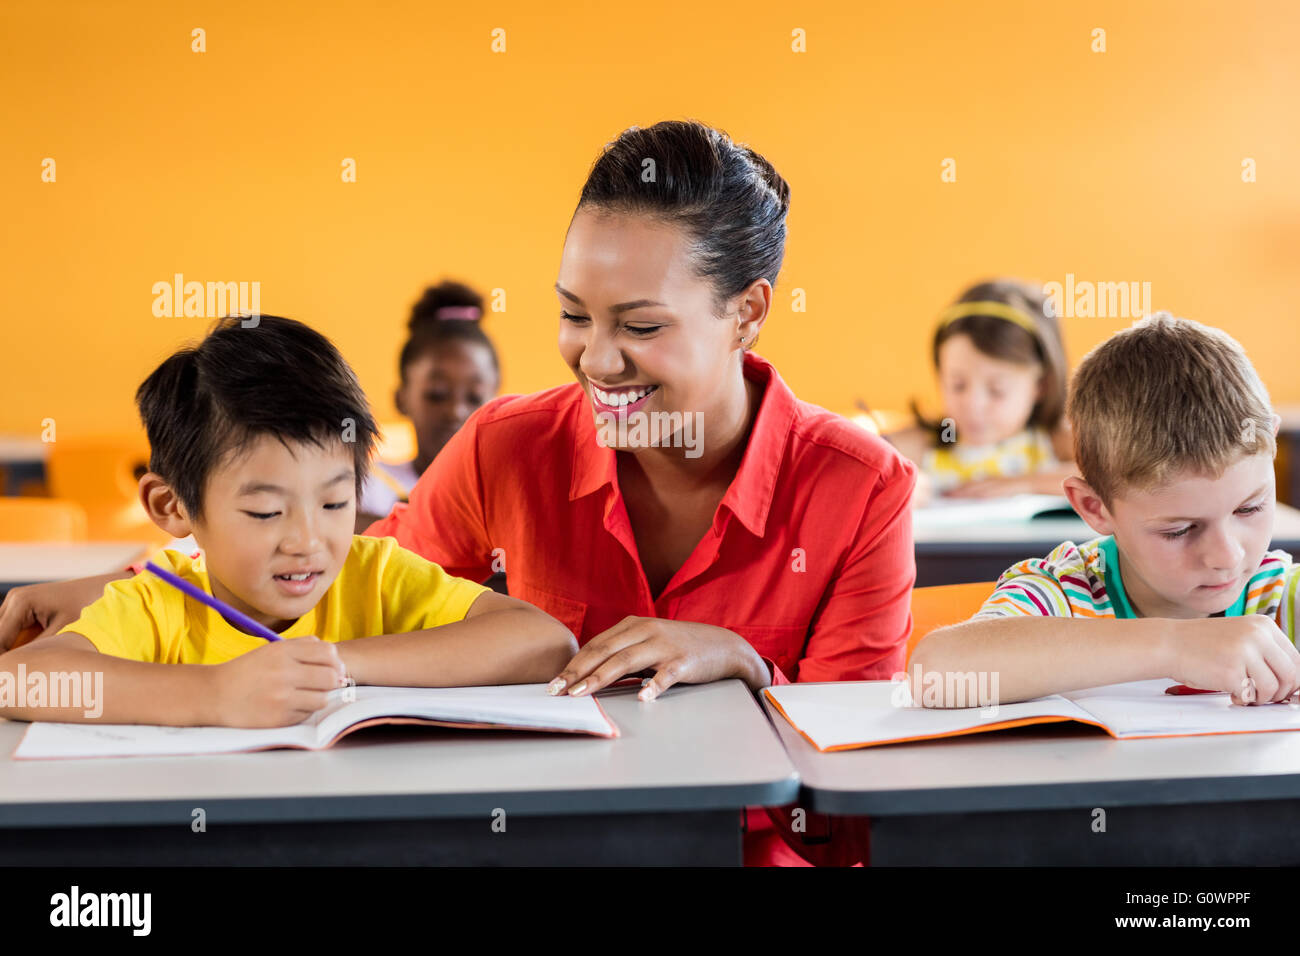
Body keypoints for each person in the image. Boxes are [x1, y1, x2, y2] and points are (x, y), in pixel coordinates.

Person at [0, 121, 915, 865]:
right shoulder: (506, 447)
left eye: (640, 325)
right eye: (572, 315)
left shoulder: (861, 489)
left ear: (747, 313)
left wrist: (748, 662)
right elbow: (336, 570)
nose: (597, 360)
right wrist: (119, 591)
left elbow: (849, 804)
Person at [0, 316, 575, 726]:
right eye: (266, 512)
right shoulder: (160, 603)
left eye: (333, 504)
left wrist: (333, 666)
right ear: (172, 507)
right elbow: (20, 679)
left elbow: (544, 640)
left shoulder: (374, 574)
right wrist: (215, 696)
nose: (308, 542)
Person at [910, 312, 1300, 707]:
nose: (1226, 556)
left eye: (1250, 508)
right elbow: (934, 676)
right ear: (1094, 507)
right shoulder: (1069, 592)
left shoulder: (1281, 596)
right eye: (1179, 530)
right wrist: (1173, 646)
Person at [889, 279, 1074, 505]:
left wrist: (1024, 484)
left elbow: (1116, 477)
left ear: (1041, 385)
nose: (973, 404)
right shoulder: (924, 443)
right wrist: (900, 487)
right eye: (957, 385)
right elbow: (866, 468)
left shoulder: (1056, 441)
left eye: (997, 391)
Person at [356, 280, 501, 531]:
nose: (455, 411)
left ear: (497, 404)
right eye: (436, 394)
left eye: (474, 397)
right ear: (401, 399)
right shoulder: (367, 485)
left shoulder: (508, 490)